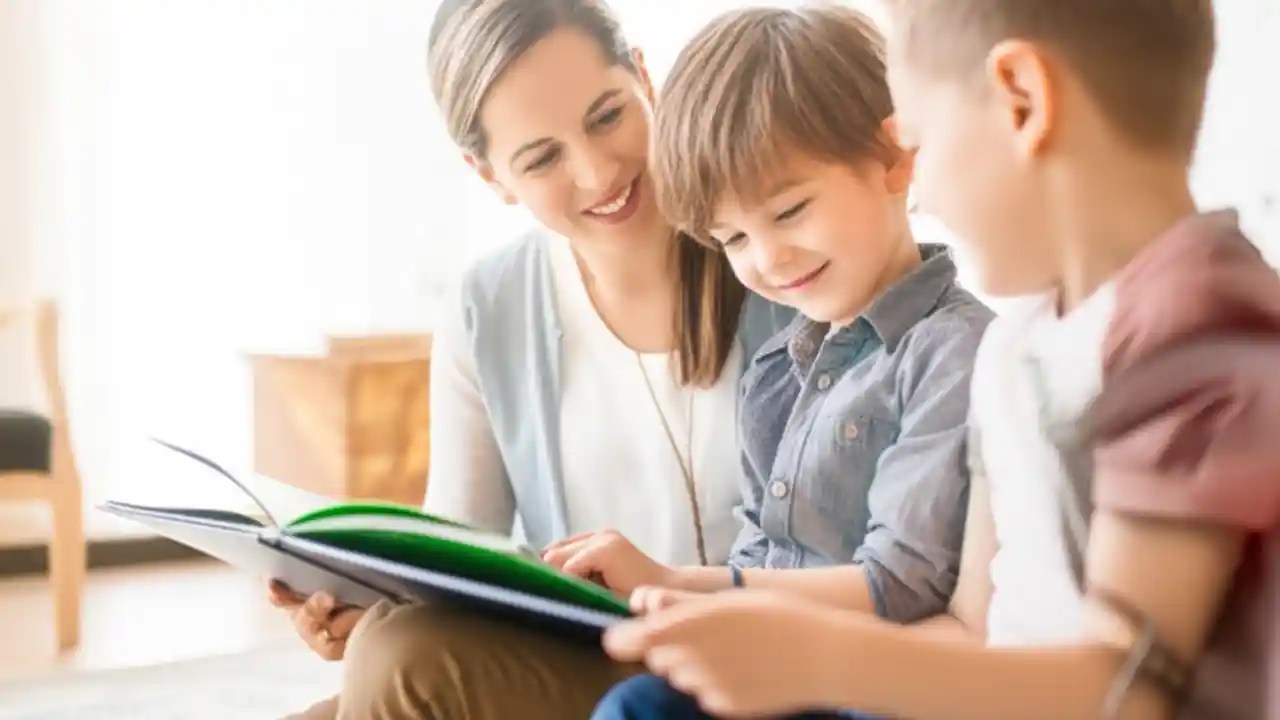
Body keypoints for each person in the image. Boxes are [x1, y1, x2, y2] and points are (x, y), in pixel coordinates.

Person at [599, 1, 1280, 719]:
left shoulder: (1195, 325)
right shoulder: (1023, 343)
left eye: (919, 139)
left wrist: (820, 658)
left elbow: (1131, 687)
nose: (919, 182)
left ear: (1022, 100)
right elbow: (972, 626)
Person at [272, 1, 790, 718]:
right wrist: (364, 607)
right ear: (489, 176)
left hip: (752, 668)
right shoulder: (490, 306)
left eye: (608, 115)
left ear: (645, 76)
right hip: (590, 659)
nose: (598, 170)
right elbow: (456, 551)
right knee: (367, 668)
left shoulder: (780, 250)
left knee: (400, 662)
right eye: (542, 157)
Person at [536, 4, 993, 717]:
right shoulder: (778, 368)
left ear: (895, 156)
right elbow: (760, 557)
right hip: (770, 670)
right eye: (733, 239)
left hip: (877, 681)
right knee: (635, 706)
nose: (769, 260)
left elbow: (898, 588)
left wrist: (684, 584)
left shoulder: (953, 351)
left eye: (788, 213)